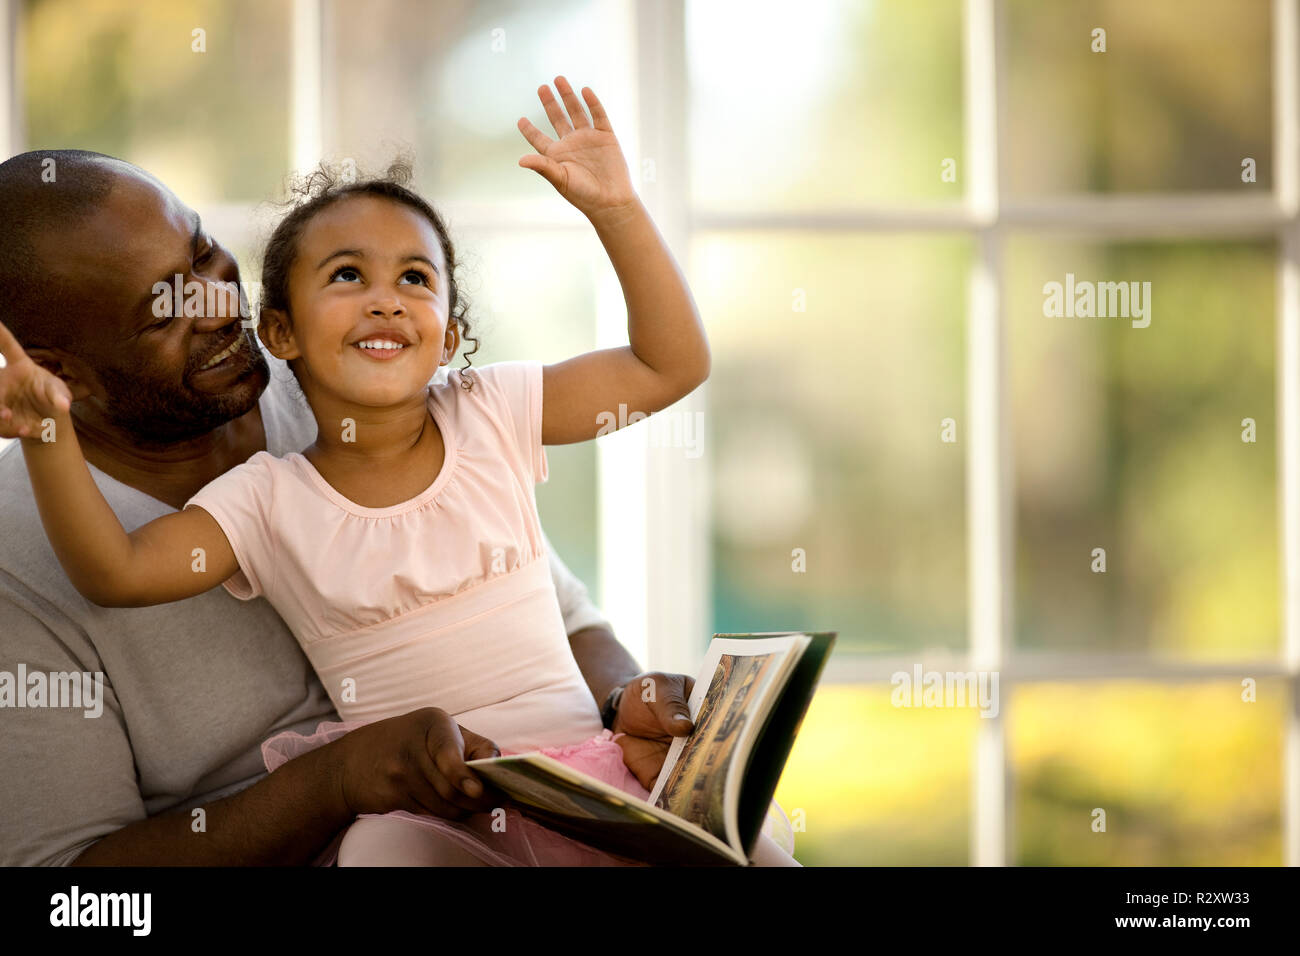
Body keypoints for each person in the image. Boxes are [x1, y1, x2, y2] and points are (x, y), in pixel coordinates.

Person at [0, 77, 798, 865]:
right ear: (53, 369)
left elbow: (664, 370)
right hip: (420, 831)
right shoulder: (247, 505)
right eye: (164, 308)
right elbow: (68, 880)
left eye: (206, 253)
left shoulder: (439, 405)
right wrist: (339, 780)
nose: (216, 305)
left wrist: (626, 707)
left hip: (576, 779)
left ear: (451, 337)